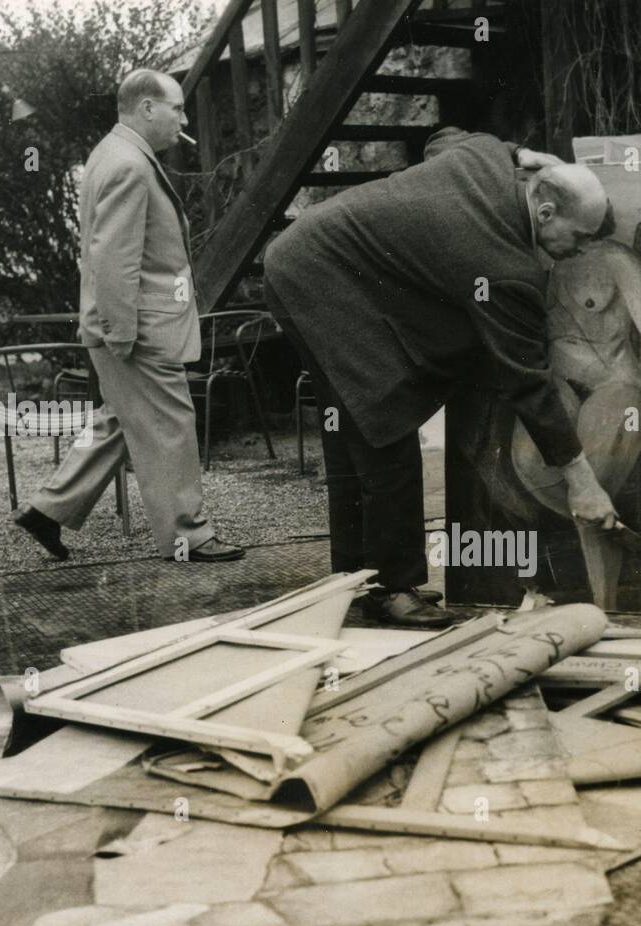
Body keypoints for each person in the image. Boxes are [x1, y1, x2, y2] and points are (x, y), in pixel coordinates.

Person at [261, 127, 619, 627]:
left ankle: (352, 580)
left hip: (306, 257)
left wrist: (517, 149)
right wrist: (583, 484)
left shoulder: (487, 156)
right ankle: (392, 587)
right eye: (578, 237)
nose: (578, 251)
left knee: (351, 430)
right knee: (384, 417)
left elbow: (442, 139)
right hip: (317, 277)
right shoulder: (504, 268)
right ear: (545, 212)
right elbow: (527, 380)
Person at [14, 69, 243, 564]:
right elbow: (114, 259)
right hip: (138, 328)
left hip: (128, 324)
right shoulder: (129, 165)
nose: (183, 119)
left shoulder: (112, 154)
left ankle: (47, 510)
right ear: (146, 108)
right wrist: (121, 335)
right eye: (177, 108)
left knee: (125, 418)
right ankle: (190, 536)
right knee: (171, 425)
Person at [511, 235, 641, 608]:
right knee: (524, 460)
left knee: (594, 478)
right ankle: (606, 524)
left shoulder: (616, 258)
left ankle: (606, 606)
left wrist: (637, 392)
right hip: (559, 384)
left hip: (615, 383)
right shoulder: (528, 255)